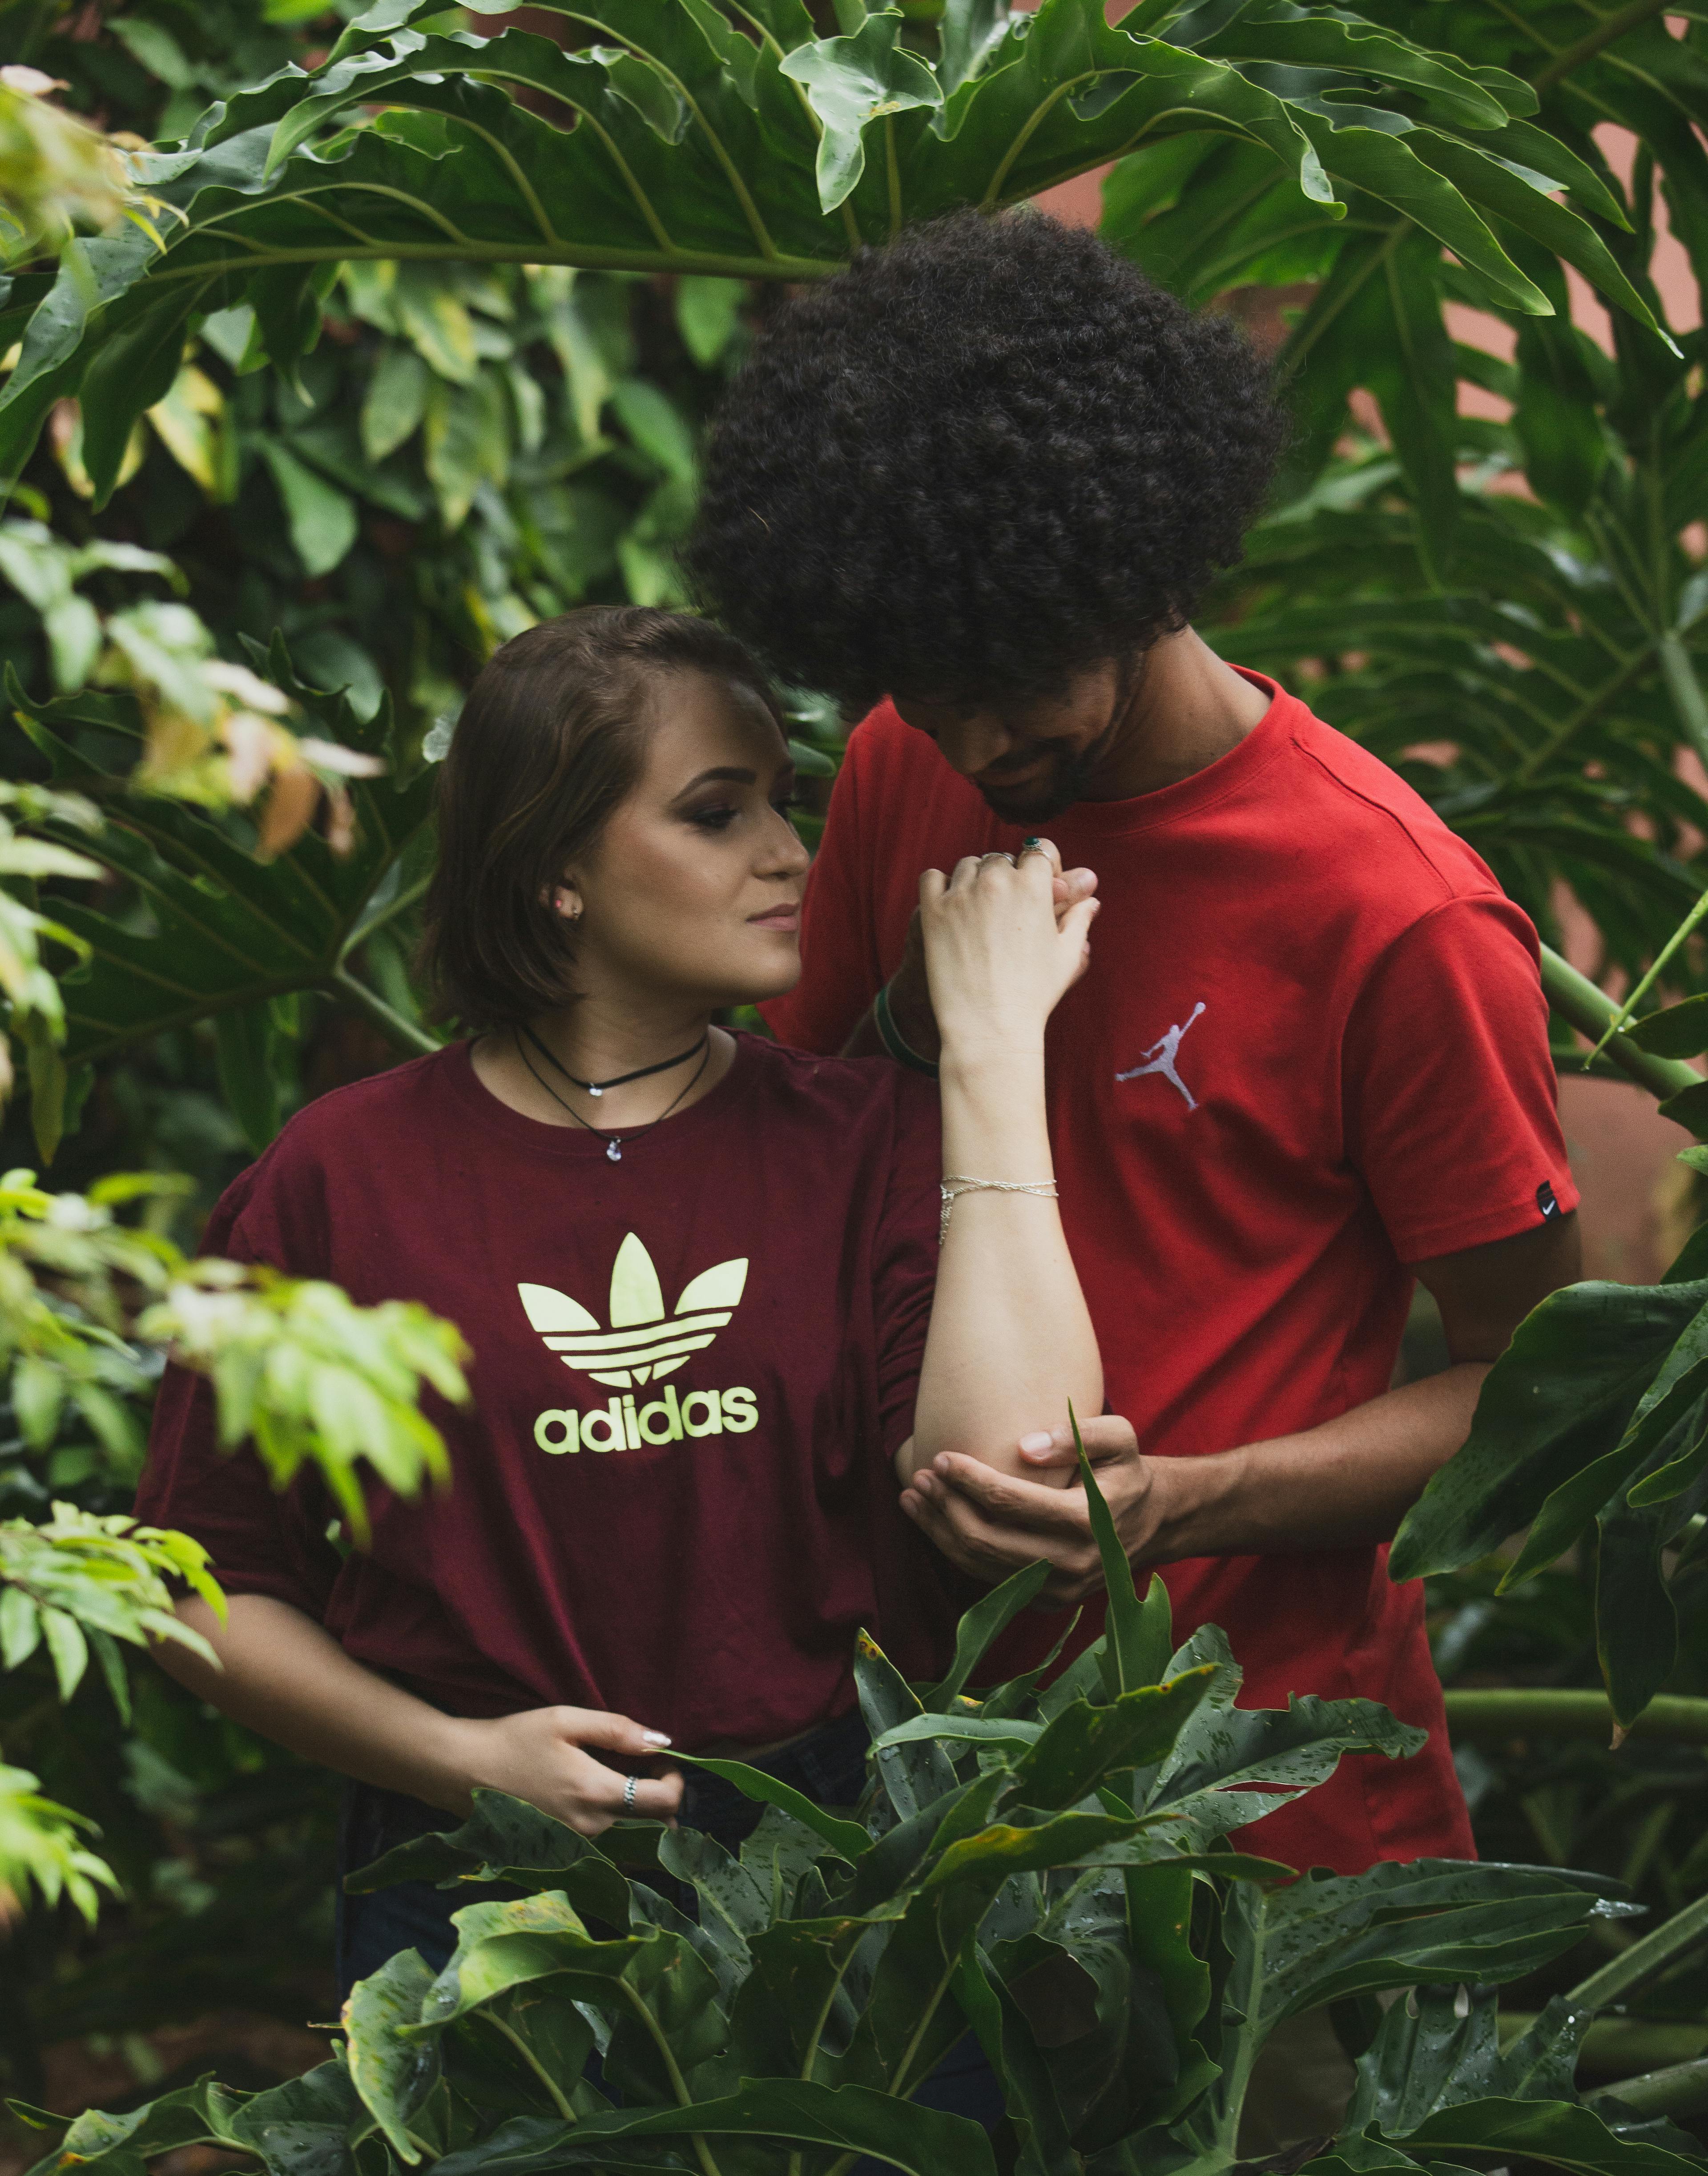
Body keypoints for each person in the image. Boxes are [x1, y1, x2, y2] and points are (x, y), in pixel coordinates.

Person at [684, 210, 1583, 2104]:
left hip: (1260, 1827)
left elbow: (1540, 1390)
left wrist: (1190, 1496)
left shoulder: (1394, 911)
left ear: (1137, 557)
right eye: (918, 679)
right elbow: (803, 1146)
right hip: (912, 1783)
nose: (969, 731)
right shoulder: (917, 772)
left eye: (1013, 671)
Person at [135, 606, 1102, 2016]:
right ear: (556, 871)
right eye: (718, 813)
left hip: (845, 1862)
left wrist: (997, 1048)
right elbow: (192, 1584)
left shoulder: (866, 1137)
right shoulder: (338, 1179)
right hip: (474, 1875)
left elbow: (1026, 1471)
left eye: (785, 802)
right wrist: (452, 1756)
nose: (788, 850)